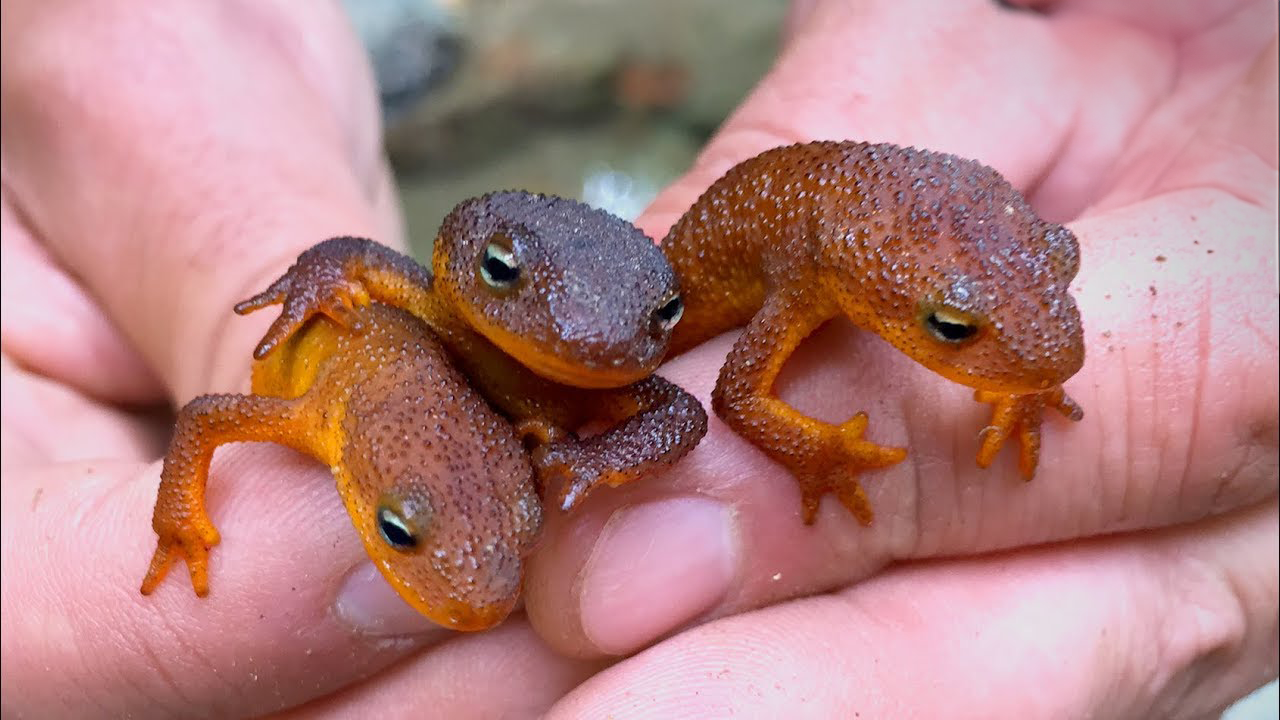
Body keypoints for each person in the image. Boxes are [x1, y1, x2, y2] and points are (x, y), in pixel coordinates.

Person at [2, 0, 1275, 716]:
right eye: (955, 333)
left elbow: (708, 399)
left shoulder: (876, 262)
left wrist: (1013, 371)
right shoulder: (772, 283)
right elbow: (361, 272)